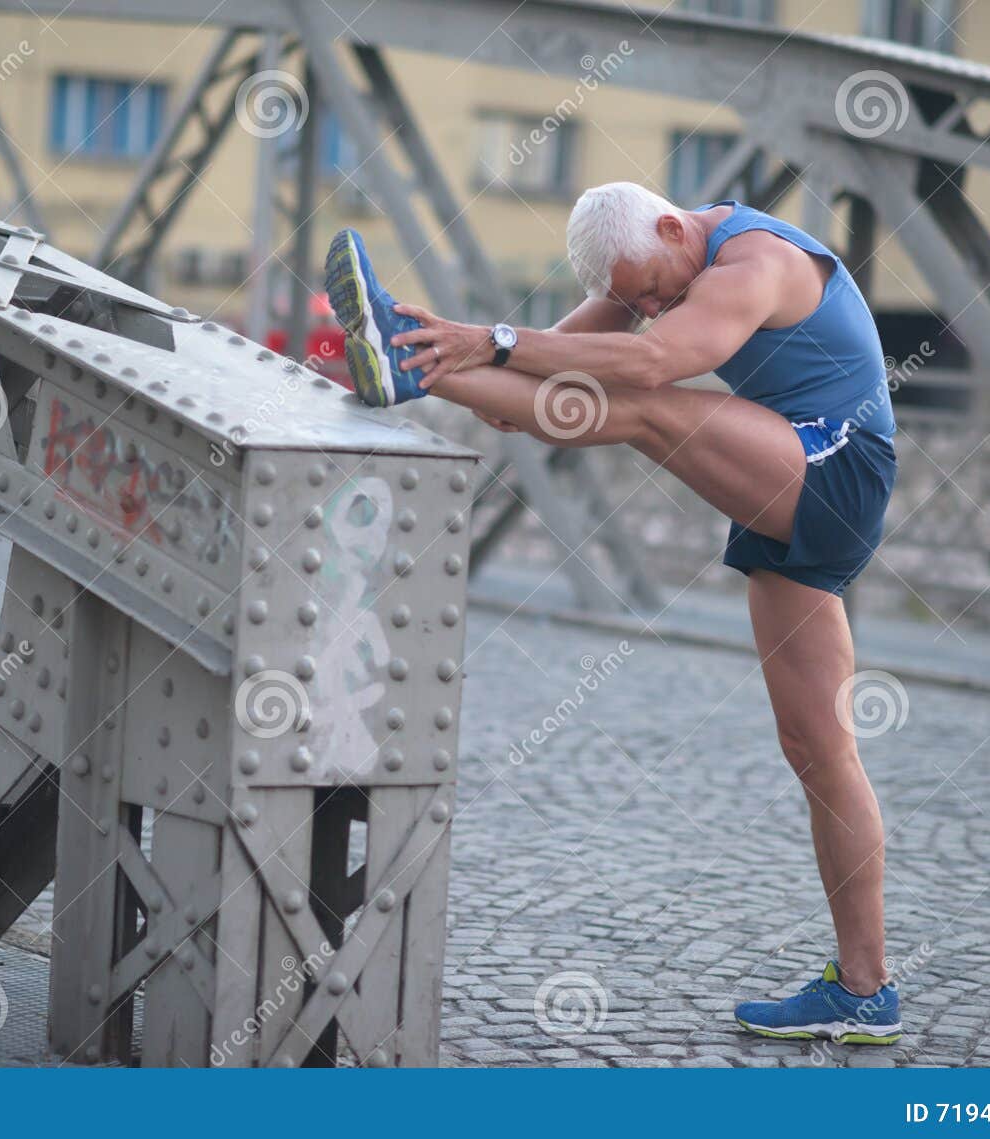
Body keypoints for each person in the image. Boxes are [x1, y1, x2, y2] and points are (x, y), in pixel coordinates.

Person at [323, 180, 901, 1044]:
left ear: (673, 227)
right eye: (634, 300)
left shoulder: (757, 264)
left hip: (835, 466)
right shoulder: (653, 256)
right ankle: (866, 991)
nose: (649, 305)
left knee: (642, 407)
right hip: (784, 473)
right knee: (816, 747)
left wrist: (486, 348)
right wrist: (512, 371)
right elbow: (569, 373)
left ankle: (412, 366)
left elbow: (652, 365)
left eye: (655, 291)